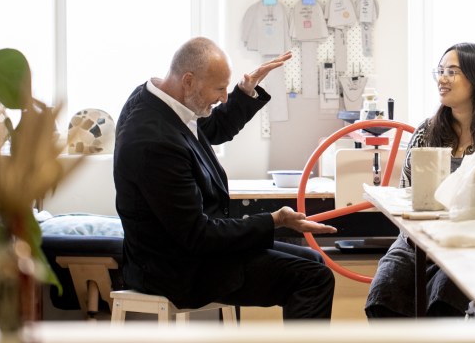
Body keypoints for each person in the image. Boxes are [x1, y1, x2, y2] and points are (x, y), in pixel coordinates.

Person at [113, 37, 338, 321]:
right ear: (189, 81)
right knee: (313, 277)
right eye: (219, 89)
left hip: (190, 252)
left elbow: (214, 128)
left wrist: (246, 91)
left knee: (312, 260)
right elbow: (197, 236)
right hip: (174, 269)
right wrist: (275, 220)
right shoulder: (154, 141)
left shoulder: (164, 101)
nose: (224, 98)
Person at [364, 42, 475, 319]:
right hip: (417, 240)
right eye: (440, 71)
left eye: (452, 72)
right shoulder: (427, 132)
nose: (442, 79)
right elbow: (407, 195)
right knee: (384, 293)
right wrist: (426, 240)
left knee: (444, 300)